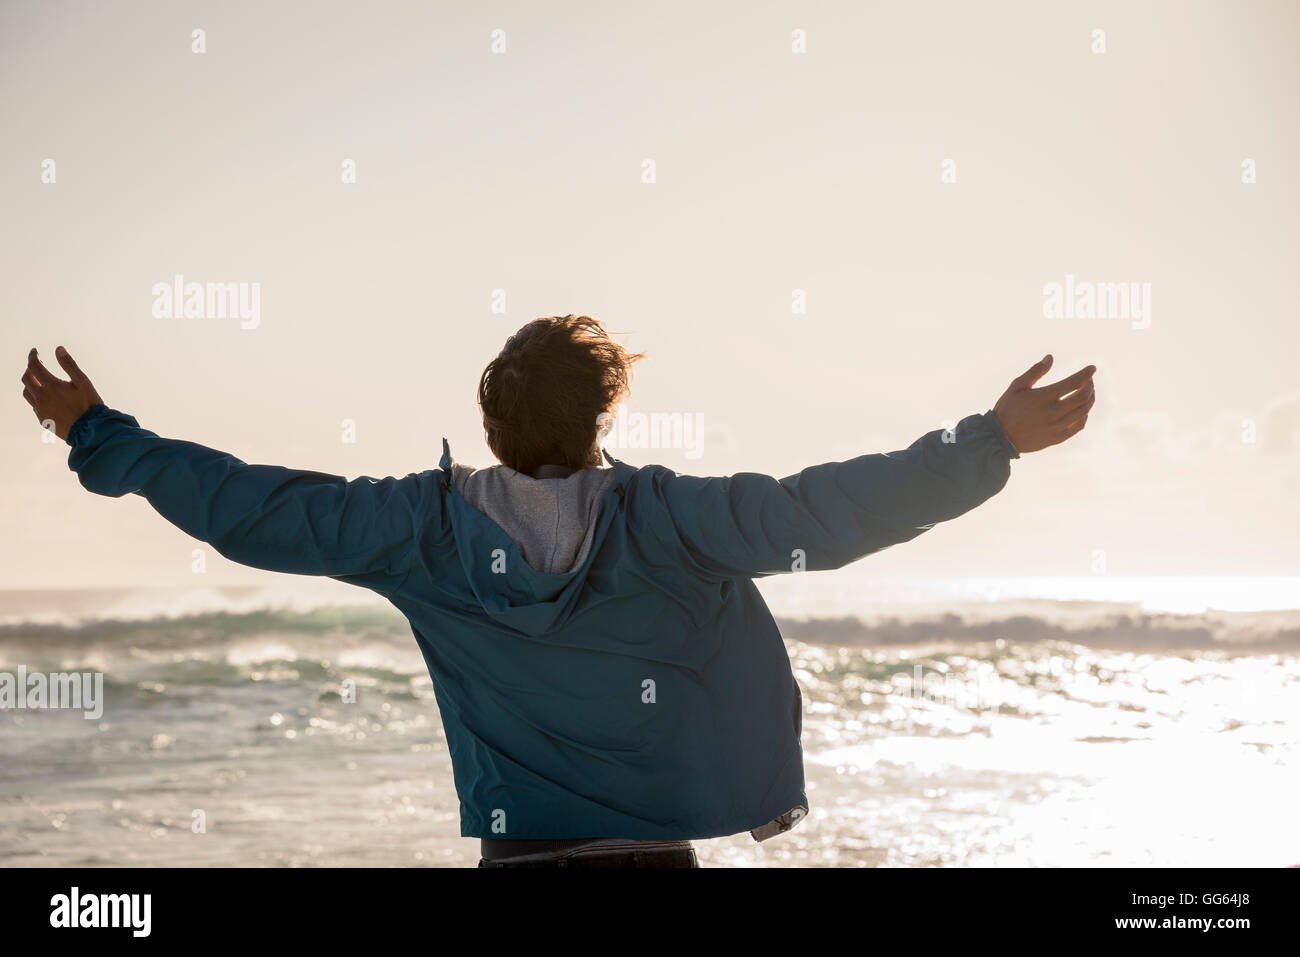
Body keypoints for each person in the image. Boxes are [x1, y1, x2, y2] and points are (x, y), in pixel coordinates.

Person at [19, 317, 1096, 868]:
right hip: (654, 865)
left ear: (493, 422)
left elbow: (247, 508)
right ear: (599, 421)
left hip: (519, 858)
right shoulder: (668, 520)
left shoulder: (421, 529)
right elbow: (827, 510)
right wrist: (988, 441)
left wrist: (99, 433)